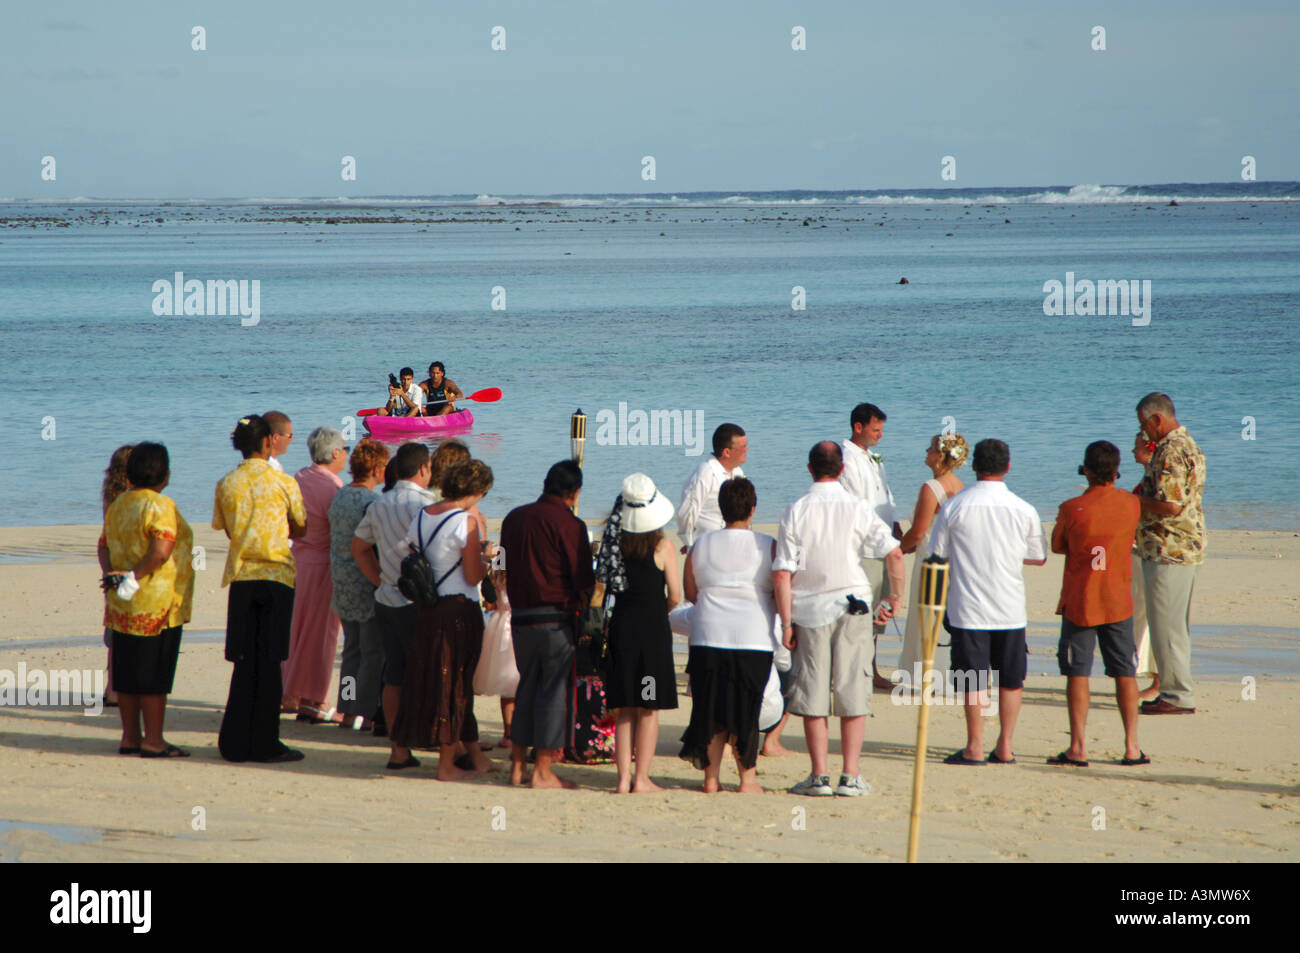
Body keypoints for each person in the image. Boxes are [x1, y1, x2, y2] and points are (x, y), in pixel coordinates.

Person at [774, 442, 904, 797]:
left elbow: (783, 573)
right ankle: (850, 774)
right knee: (853, 689)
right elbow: (893, 552)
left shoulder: (795, 509)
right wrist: (895, 596)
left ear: (809, 469)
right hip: (853, 605)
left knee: (814, 693)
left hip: (810, 609)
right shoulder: (858, 507)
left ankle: (819, 776)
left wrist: (785, 624)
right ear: (842, 469)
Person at [929, 439, 1047, 766]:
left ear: (975, 467)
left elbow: (936, 555)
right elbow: (1037, 557)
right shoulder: (1024, 509)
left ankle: (975, 745)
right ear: (1007, 467)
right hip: (1009, 606)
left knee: (973, 678)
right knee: (1011, 679)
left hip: (968, 607)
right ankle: (1005, 745)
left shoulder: (955, 506)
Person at [392, 460, 496, 781]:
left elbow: (413, 551)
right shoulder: (466, 521)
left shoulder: (424, 515)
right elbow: (472, 574)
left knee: (438, 678)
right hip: (458, 609)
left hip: (428, 608)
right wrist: (486, 556)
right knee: (455, 684)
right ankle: (446, 766)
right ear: (476, 492)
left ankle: (475, 757)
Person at [214, 415, 308, 764]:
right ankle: (265, 741)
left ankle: (236, 741)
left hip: (242, 577)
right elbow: (300, 528)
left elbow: (228, 529)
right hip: (277, 576)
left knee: (243, 660)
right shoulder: (283, 482)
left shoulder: (227, 483)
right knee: (270, 661)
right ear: (268, 441)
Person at [1049, 441, 1147, 767]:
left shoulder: (1072, 507)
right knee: (1125, 672)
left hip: (1082, 598)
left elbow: (1059, 546)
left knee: (1078, 673)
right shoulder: (1131, 504)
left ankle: (1078, 746)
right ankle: (1132, 746)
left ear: (1086, 470)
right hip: (1117, 598)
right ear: (1116, 471)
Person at [499, 460, 595, 789]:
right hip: (555, 617)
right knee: (554, 693)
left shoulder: (514, 518)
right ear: (575, 493)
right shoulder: (571, 525)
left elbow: (501, 563)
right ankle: (541, 770)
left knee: (526, 688)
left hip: (521, 616)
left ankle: (516, 766)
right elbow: (582, 577)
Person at [679, 477, 776, 793]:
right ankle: (747, 779)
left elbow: (691, 592)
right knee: (747, 708)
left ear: (721, 509)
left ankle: (710, 779)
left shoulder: (700, 545)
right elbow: (779, 590)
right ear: (752, 509)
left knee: (709, 708)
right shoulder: (767, 545)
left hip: (708, 633)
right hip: (753, 636)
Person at [98, 442, 194, 757]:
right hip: (157, 603)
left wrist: (113, 574)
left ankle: (129, 737)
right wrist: (134, 576)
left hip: (123, 603)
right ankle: (153, 739)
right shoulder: (160, 504)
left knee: (126, 673)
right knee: (154, 675)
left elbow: (102, 546)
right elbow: (161, 551)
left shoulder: (119, 504)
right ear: (164, 474)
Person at [351, 443, 436, 769]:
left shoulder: (379, 503)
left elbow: (359, 548)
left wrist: (379, 580)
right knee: (427, 671)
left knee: (394, 674)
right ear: (424, 469)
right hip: (420, 600)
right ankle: (430, 736)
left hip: (387, 597)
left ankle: (398, 748)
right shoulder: (428, 505)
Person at [597, 473, 681, 793]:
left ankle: (621, 780)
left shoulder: (613, 544)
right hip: (650, 635)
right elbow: (675, 594)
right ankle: (641, 779)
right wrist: (664, 610)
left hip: (621, 629)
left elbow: (601, 586)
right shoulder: (663, 546)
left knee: (625, 708)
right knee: (648, 707)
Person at [1134, 393, 1206, 715]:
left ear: (1157, 419)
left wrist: (1132, 503)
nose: (1144, 432)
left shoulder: (1173, 450)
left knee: (1167, 625)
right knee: (1171, 624)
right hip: (1177, 546)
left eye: (1144, 425)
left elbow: (1171, 504)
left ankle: (1177, 694)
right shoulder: (1184, 444)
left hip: (1169, 547)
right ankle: (1173, 690)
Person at [282, 427, 348, 721]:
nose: (346, 454)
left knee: (296, 629)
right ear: (335, 453)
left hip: (298, 559)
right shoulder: (333, 487)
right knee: (321, 634)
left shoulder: (299, 478)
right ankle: (313, 699)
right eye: (345, 449)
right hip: (322, 563)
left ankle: (290, 693)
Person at [895, 433, 968, 686]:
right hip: (953, 560)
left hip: (929, 557)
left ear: (940, 456)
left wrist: (898, 549)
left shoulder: (932, 488)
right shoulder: (960, 486)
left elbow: (917, 531)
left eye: (930, 448)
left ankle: (923, 675)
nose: (926, 451)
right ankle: (947, 674)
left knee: (925, 614)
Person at [838, 403, 903, 690]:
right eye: (876, 430)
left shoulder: (873, 457)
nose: (880, 435)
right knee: (861, 611)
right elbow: (855, 504)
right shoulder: (846, 459)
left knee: (880, 610)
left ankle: (871, 668)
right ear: (858, 427)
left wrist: (896, 522)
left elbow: (885, 494)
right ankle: (857, 671)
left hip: (883, 541)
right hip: (864, 546)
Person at [328, 439, 390, 731]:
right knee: (372, 652)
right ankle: (364, 712)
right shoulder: (372, 502)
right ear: (378, 470)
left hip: (341, 580)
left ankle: (347, 709)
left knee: (351, 651)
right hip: (365, 581)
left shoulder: (340, 495)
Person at [100, 444, 136, 708]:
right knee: (127, 626)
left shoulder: (111, 494)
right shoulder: (130, 499)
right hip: (128, 562)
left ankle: (111, 687)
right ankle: (116, 689)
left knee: (115, 624)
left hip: (112, 558)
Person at [675, 423, 748, 553]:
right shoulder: (705, 474)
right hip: (709, 548)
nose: (747, 449)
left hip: (735, 546)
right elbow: (686, 514)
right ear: (727, 452)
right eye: (743, 447)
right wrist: (691, 545)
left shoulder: (738, 472)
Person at [1129, 431, 1160, 699]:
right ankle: (1155, 677)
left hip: (1151, 550)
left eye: (1137, 446)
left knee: (1153, 614)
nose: (1132, 451)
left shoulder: (1155, 476)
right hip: (1142, 549)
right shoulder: (1150, 475)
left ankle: (1160, 680)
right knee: (1145, 611)